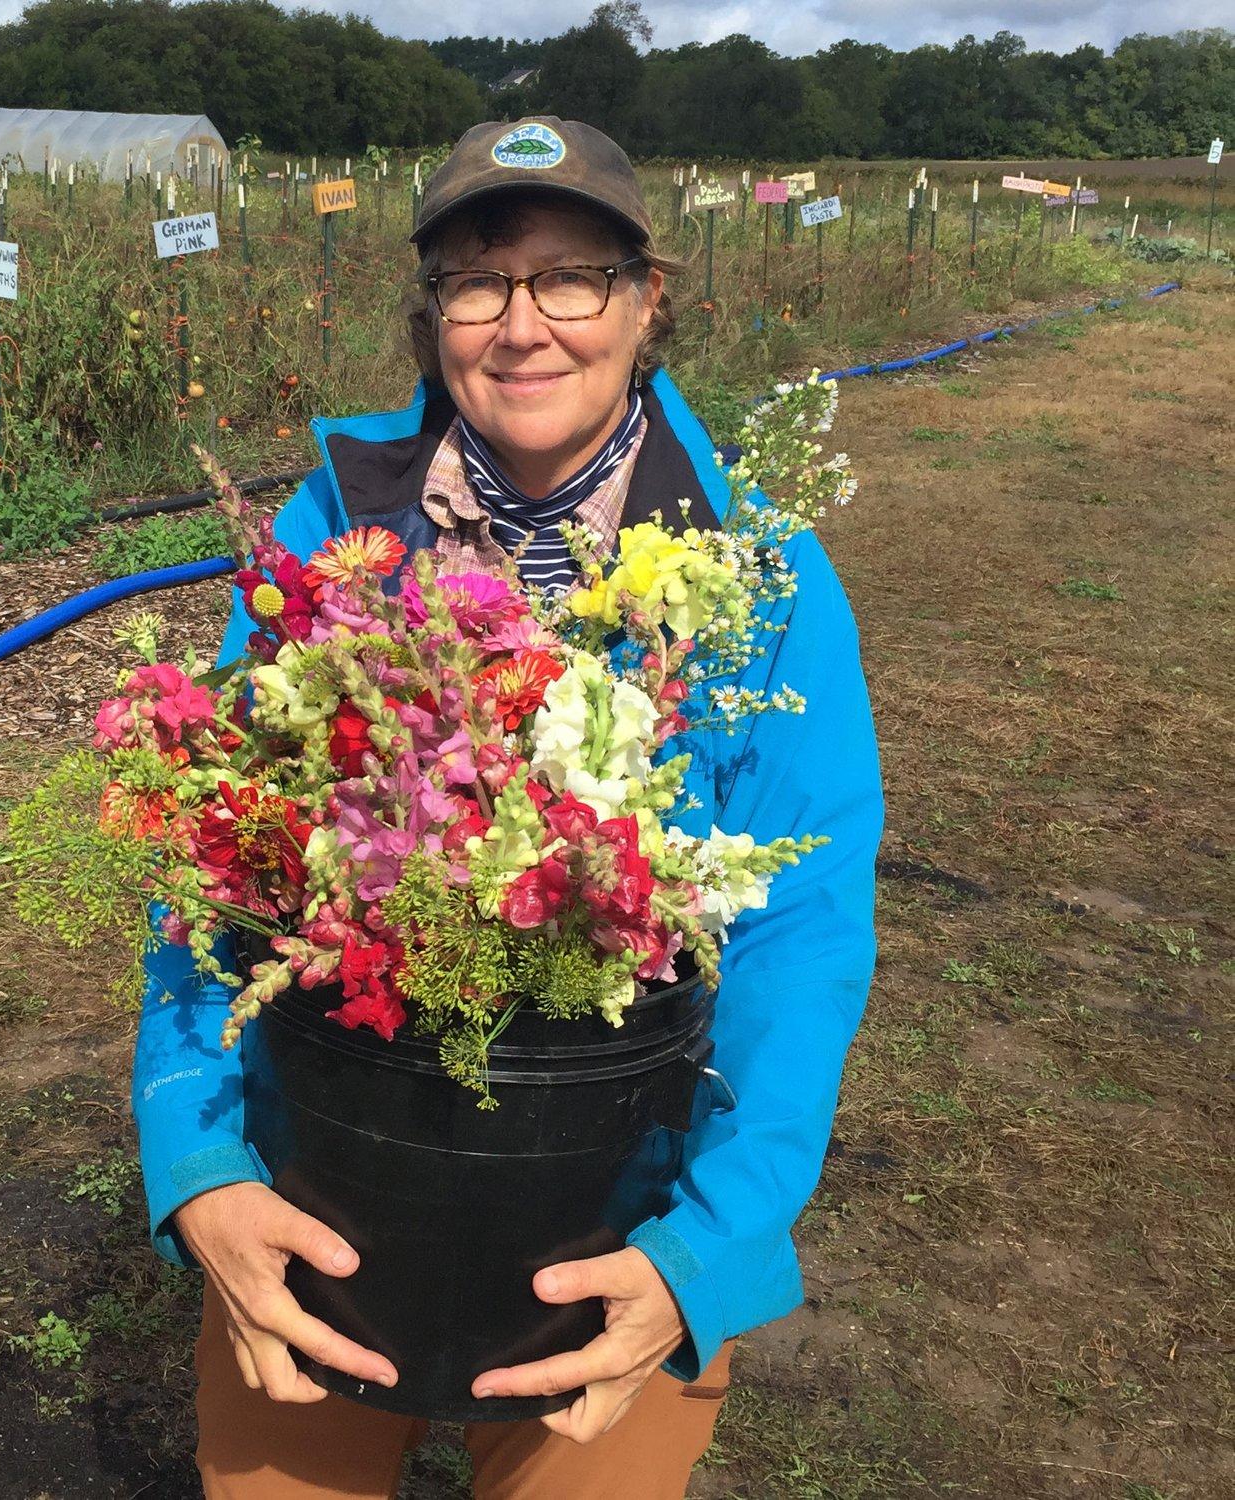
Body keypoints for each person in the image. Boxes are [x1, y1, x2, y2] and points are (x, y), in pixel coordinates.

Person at [132, 117, 883, 1499]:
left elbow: (805, 929)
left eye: (571, 276)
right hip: (328, 1189)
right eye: (477, 282)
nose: (522, 325)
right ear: (434, 319)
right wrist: (201, 1169)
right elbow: (215, 863)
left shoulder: (758, 571)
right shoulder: (331, 538)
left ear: (647, 302)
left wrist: (701, 1255)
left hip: (612, 1216)